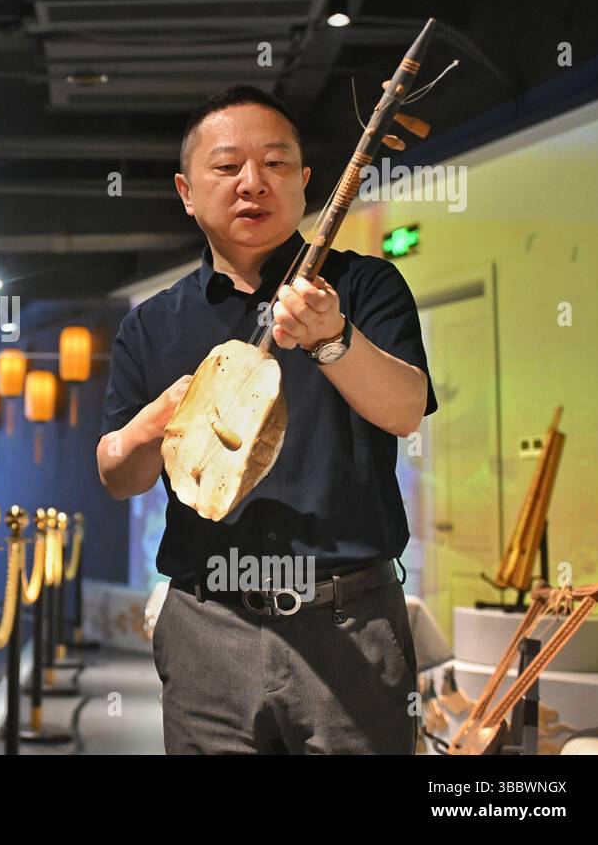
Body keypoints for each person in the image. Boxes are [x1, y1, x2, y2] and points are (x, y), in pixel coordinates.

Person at [97, 85, 437, 754]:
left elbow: (403, 411)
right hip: (207, 625)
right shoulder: (151, 324)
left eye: (276, 164)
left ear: (306, 182)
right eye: (226, 167)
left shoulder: (363, 287)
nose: (253, 182)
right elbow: (118, 474)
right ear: (187, 190)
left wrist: (333, 338)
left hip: (350, 619)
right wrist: (157, 423)